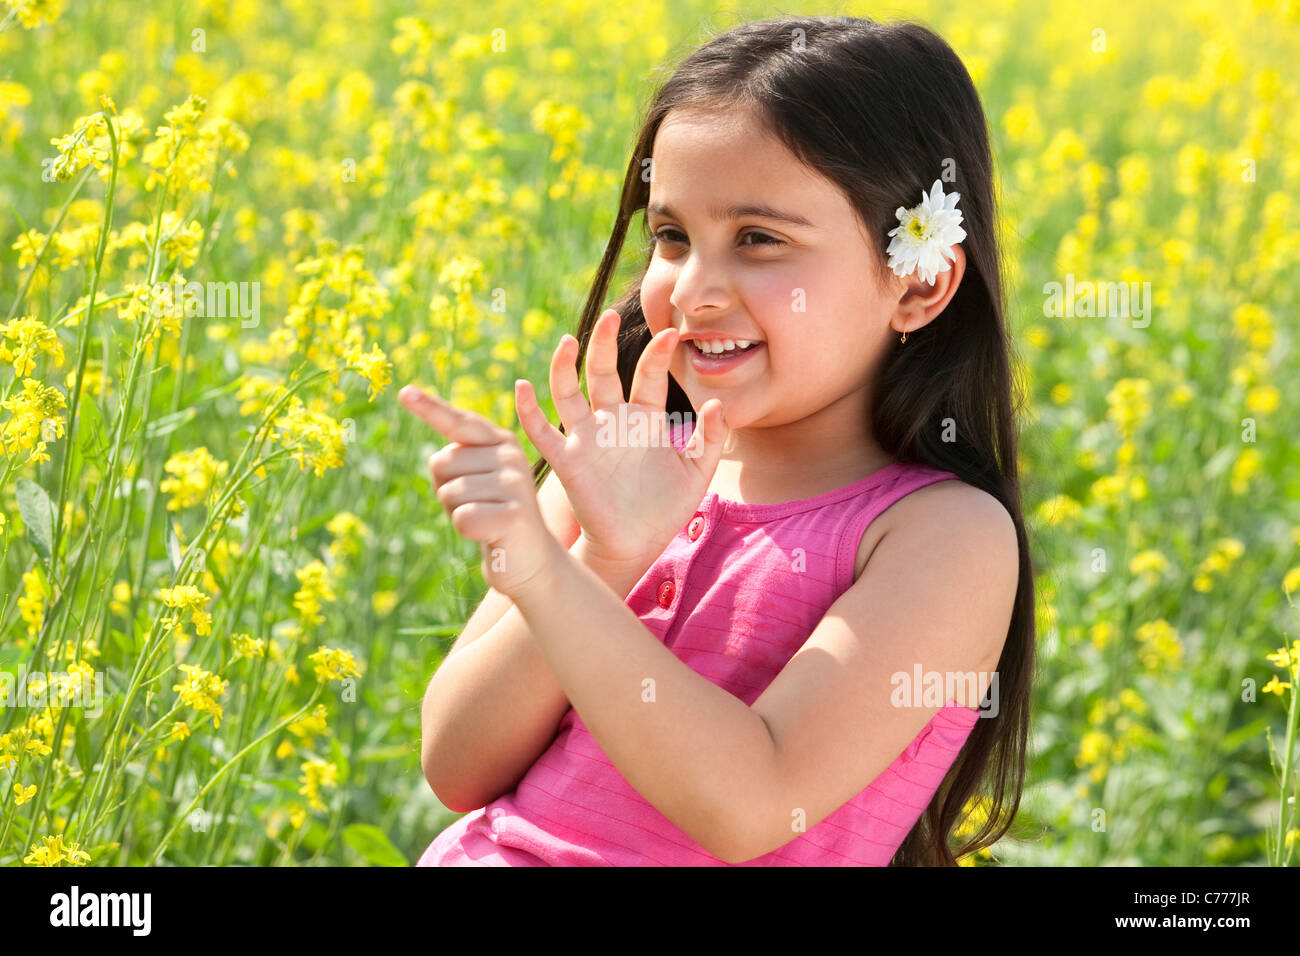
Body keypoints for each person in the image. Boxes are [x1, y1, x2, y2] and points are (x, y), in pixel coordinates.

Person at [399, 13, 1035, 866]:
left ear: (917, 282)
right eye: (671, 236)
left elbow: (757, 802)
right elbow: (457, 766)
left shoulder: (942, 537)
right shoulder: (618, 459)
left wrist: (555, 586)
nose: (692, 289)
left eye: (759, 240)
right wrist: (603, 563)